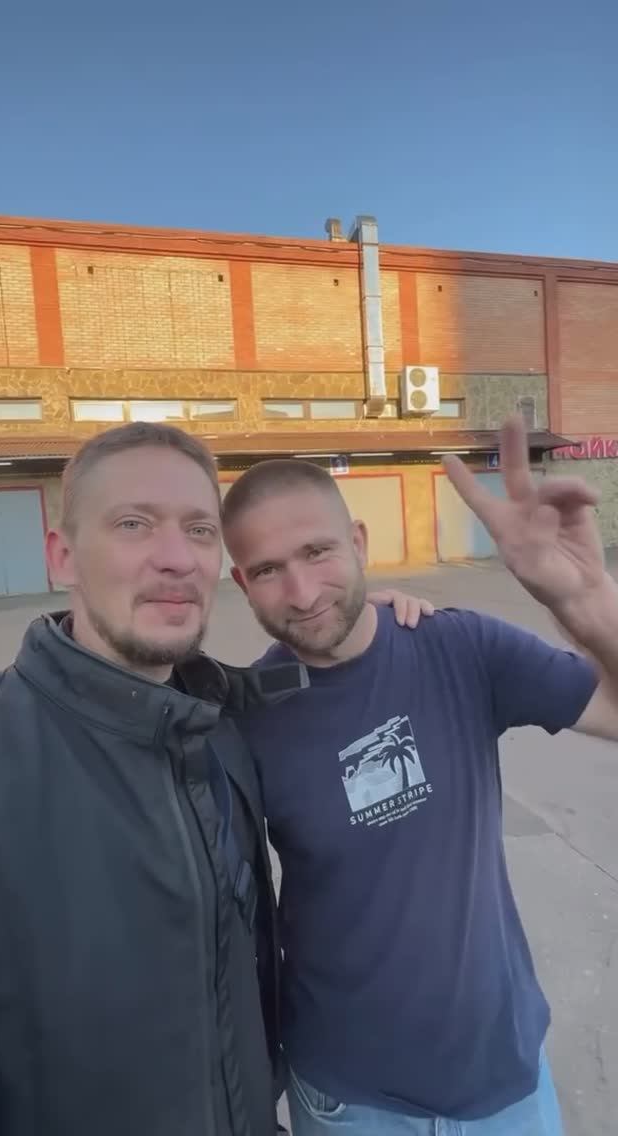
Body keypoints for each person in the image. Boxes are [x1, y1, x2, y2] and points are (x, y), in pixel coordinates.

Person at [221, 416, 618, 1136]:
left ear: (359, 543)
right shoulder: (242, 719)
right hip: (347, 1099)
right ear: (242, 583)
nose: (303, 591)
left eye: (317, 551)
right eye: (269, 570)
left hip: (503, 1083)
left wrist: (587, 602)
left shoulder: (459, 648)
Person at [0, 422, 309, 1136]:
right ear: (62, 556)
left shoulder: (220, 727)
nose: (177, 559)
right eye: (133, 524)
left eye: (200, 530)